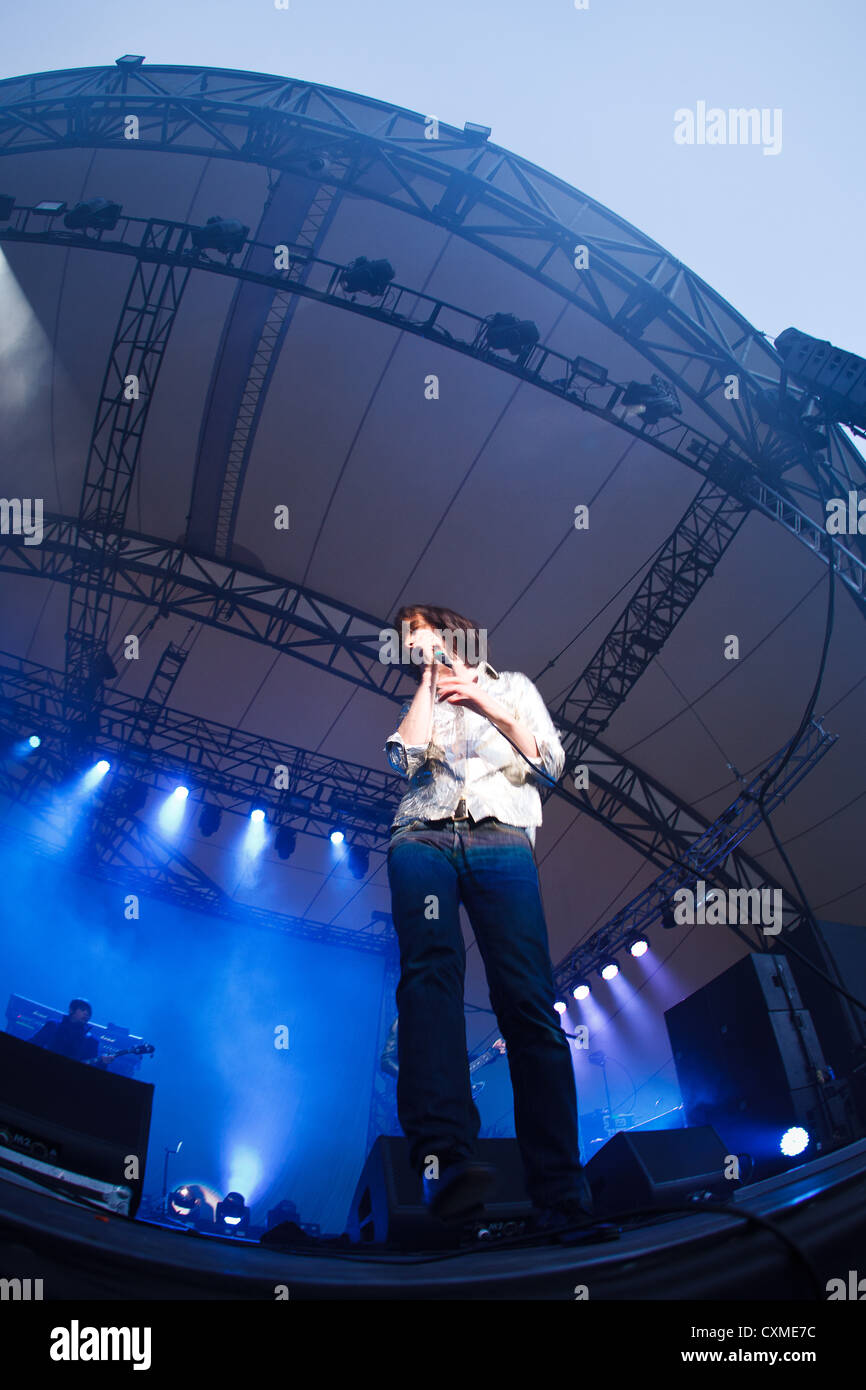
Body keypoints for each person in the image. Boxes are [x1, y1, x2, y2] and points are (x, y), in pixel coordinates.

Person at [383, 604, 594, 1229]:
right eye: (409, 645)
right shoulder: (420, 698)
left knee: (527, 999)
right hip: (423, 837)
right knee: (429, 986)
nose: (417, 648)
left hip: (501, 837)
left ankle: (559, 1188)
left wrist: (485, 704)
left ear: (453, 633)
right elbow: (404, 759)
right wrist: (429, 686)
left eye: (423, 637)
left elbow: (550, 766)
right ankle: (446, 1172)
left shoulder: (514, 687)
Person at [30, 998, 107, 1066]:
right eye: (83, 1009)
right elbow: (34, 1042)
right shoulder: (53, 1026)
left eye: (89, 1013)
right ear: (71, 1010)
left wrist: (103, 1063)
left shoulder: (92, 1041)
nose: (86, 1014)